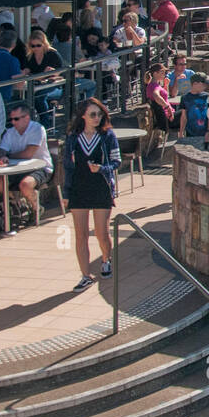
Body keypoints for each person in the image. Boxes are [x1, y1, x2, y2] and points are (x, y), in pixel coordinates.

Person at [62, 99, 121, 291]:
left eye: (99, 114)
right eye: (93, 114)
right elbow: (67, 167)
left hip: (100, 186)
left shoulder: (107, 136)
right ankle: (85, 275)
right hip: (79, 188)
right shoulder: (73, 138)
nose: (97, 118)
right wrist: (66, 192)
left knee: (101, 232)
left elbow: (116, 161)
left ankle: (106, 259)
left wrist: (101, 168)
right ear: (83, 116)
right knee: (80, 235)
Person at [0, 103, 52, 222]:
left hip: (41, 167)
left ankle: (37, 208)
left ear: (26, 117)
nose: (13, 122)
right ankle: (17, 203)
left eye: (16, 119)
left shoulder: (37, 129)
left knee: (25, 185)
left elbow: (28, 153)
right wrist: (2, 156)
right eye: (11, 119)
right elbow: (2, 150)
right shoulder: (10, 132)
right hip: (16, 169)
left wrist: (9, 155)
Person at [177, 74, 209, 146]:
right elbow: (183, 116)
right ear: (195, 84)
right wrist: (181, 132)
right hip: (190, 132)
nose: (205, 86)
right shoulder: (185, 98)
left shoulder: (207, 96)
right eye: (204, 84)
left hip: (205, 132)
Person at [145, 63, 177, 141]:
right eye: (162, 72)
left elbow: (163, 97)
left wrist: (165, 85)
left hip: (165, 116)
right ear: (155, 73)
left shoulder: (153, 85)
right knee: (186, 112)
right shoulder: (154, 86)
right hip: (167, 118)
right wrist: (168, 107)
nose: (164, 74)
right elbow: (156, 95)